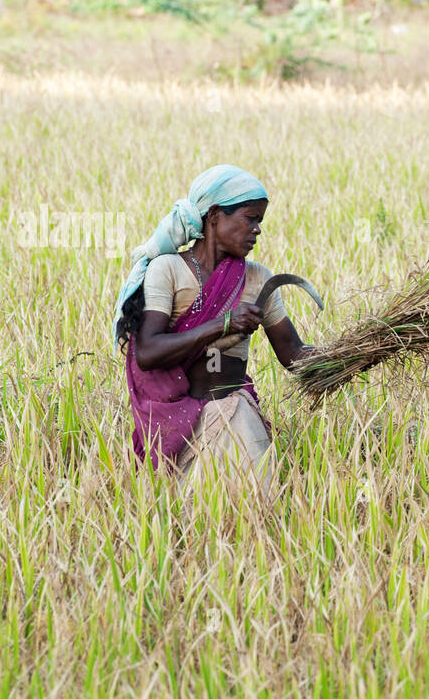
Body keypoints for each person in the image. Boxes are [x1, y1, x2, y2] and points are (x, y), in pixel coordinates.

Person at [112, 165, 315, 492]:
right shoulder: (168, 270)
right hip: (182, 426)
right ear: (216, 215)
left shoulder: (259, 278)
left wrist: (355, 352)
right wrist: (223, 324)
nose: (257, 230)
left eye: (260, 221)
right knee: (185, 527)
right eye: (250, 219)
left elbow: (293, 354)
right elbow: (148, 351)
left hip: (238, 420)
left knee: (253, 520)